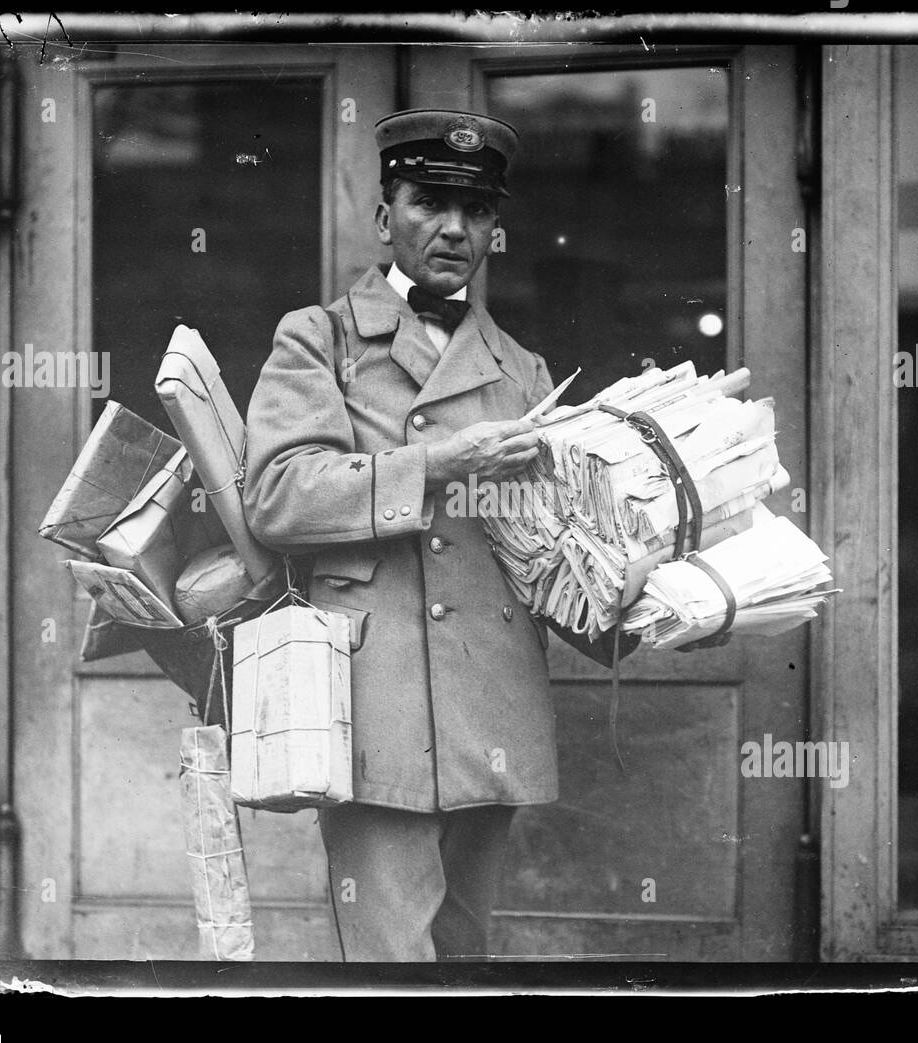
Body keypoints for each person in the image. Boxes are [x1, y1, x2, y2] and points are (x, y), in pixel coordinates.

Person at [243, 108, 630, 962]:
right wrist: (433, 464)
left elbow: (552, 541)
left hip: (489, 699)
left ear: (497, 229)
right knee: (390, 965)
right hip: (374, 697)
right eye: (427, 202)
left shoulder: (522, 369)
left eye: (478, 209)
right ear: (385, 218)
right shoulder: (320, 340)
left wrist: (633, 582)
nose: (453, 227)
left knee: (464, 955)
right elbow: (276, 495)